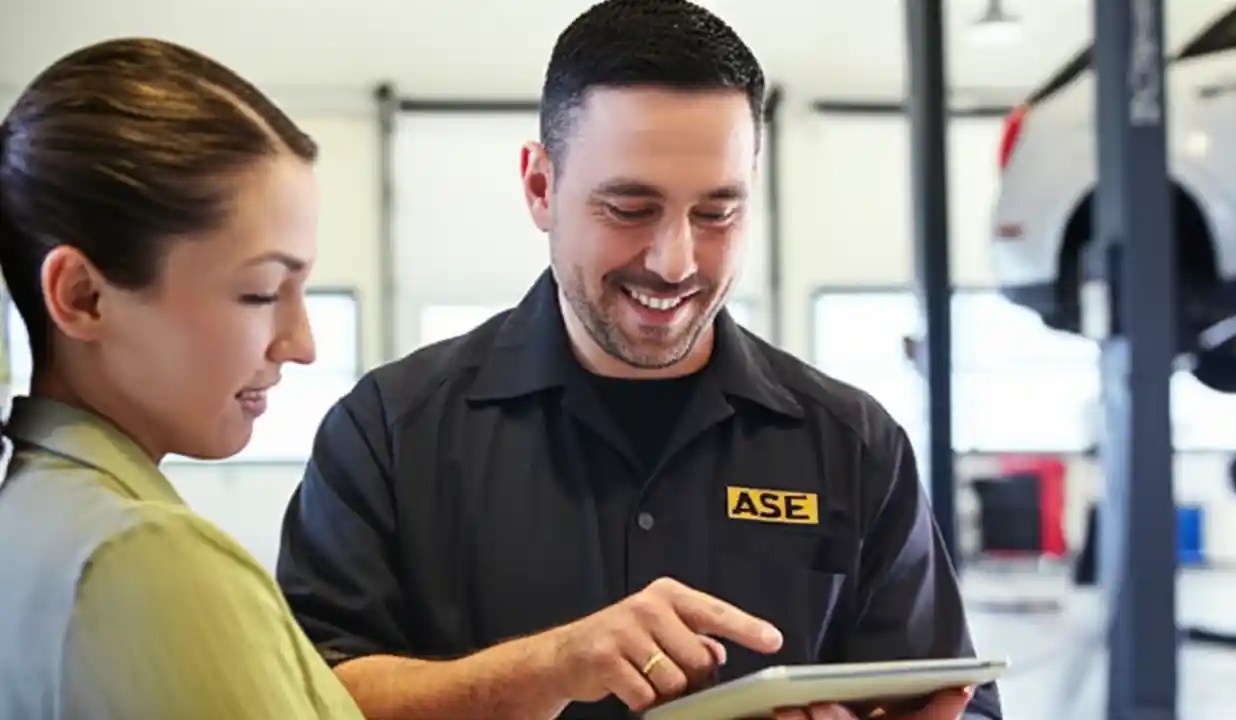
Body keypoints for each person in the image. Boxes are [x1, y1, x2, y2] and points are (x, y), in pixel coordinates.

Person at [277, 1, 1003, 719]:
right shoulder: (392, 433)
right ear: (540, 187)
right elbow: (300, 699)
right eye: (629, 209)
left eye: (717, 212)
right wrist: (547, 668)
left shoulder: (851, 443)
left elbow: (958, 701)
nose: (675, 261)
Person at [0, 38, 362, 719]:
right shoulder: (143, 556)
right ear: (82, 296)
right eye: (260, 292)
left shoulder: (38, 516)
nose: (303, 344)